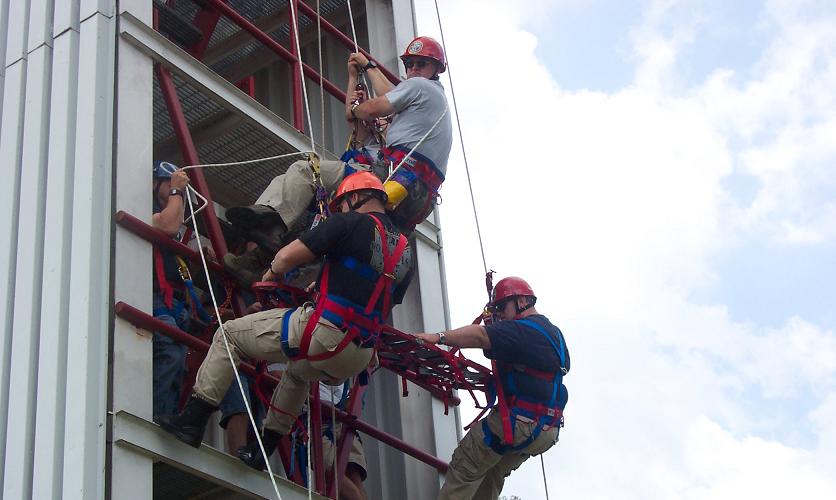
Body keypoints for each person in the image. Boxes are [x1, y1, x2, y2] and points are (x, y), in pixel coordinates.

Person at [156, 172, 413, 472]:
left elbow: (284, 259)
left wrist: (269, 275)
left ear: (354, 197)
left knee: (230, 336)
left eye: (341, 204)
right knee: (298, 374)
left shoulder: (348, 222)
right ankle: (261, 450)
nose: (341, 210)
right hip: (358, 355)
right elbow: (379, 297)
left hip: (324, 333)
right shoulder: (405, 250)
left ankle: (192, 420)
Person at [223, 36, 452, 283]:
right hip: (411, 195)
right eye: (410, 64)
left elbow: (373, 107)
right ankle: (258, 260)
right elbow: (366, 115)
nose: (414, 69)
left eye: (421, 64)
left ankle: (271, 223)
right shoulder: (421, 115)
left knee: (306, 171)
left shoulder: (419, 89)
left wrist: (364, 85)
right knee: (314, 220)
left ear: (436, 69)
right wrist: (359, 76)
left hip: (388, 179)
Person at [414, 277, 570, 500]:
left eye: (503, 307)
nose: (501, 314)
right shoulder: (554, 335)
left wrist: (437, 337)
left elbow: (480, 336)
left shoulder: (523, 331)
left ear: (522, 301)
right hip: (547, 430)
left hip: (518, 423)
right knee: (491, 474)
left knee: (465, 466)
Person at [151, 161, 193, 419]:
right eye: (169, 183)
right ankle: (159, 415)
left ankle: (170, 414)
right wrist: (177, 191)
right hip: (158, 300)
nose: (175, 189)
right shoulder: (146, 210)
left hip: (177, 304)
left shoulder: (175, 225)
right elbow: (167, 226)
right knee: (170, 352)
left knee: (179, 359)